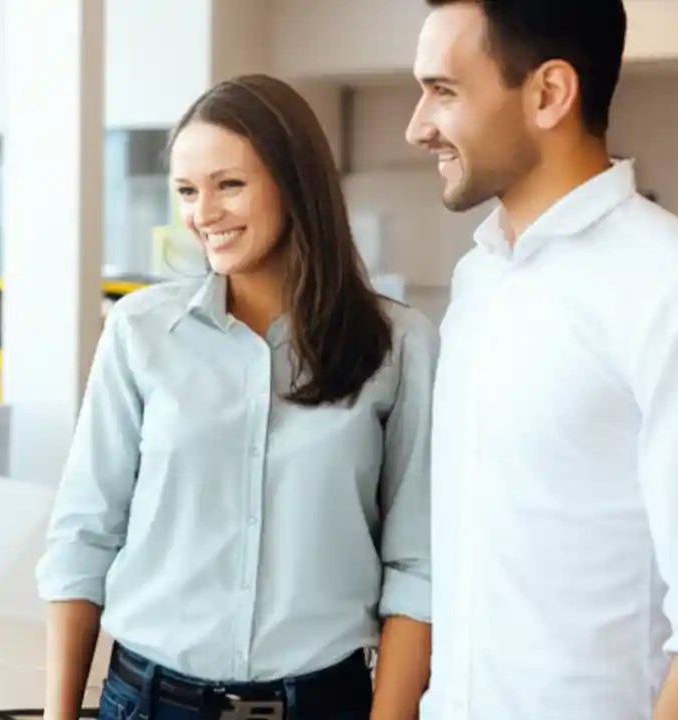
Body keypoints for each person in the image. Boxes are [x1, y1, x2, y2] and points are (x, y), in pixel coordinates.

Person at [37, 73, 438, 720]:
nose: (203, 214)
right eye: (187, 192)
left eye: (229, 185)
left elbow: (417, 566)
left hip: (324, 703)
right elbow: (83, 537)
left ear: (295, 183)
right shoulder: (140, 332)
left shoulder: (401, 345)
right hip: (147, 702)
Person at [405, 1, 678, 718]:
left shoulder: (669, 286)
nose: (417, 127)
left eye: (443, 91)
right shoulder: (480, 277)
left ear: (549, 93)